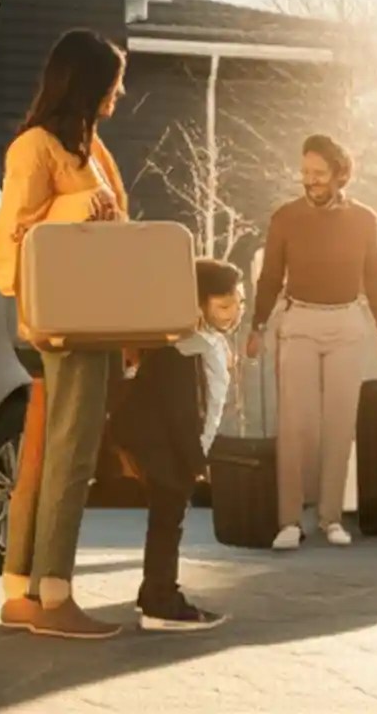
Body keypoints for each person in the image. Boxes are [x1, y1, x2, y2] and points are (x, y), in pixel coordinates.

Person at [0, 29, 129, 639]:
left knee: (45, 459)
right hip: (59, 322)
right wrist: (80, 211)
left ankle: (22, 590)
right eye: (115, 82)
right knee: (70, 457)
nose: (121, 94)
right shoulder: (34, 148)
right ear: (89, 82)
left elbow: (116, 224)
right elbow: (11, 239)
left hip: (90, 316)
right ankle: (56, 596)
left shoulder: (91, 149)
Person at [245, 134, 377, 550]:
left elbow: (375, 275)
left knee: (339, 423)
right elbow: (271, 276)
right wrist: (257, 326)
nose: (310, 181)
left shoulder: (364, 219)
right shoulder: (285, 217)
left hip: (347, 324)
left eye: (319, 174)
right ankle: (289, 520)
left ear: (339, 174)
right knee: (297, 426)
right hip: (299, 323)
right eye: (305, 173)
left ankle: (330, 518)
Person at [110, 259, 244, 631]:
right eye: (222, 306)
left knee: (166, 519)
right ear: (198, 305)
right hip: (163, 445)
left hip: (170, 445)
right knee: (168, 521)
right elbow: (183, 413)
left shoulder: (206, 342)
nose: (233, 314)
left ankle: (153, 592)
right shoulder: (184, 349)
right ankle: (161, 604)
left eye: (238, 304)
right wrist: (196, 461)